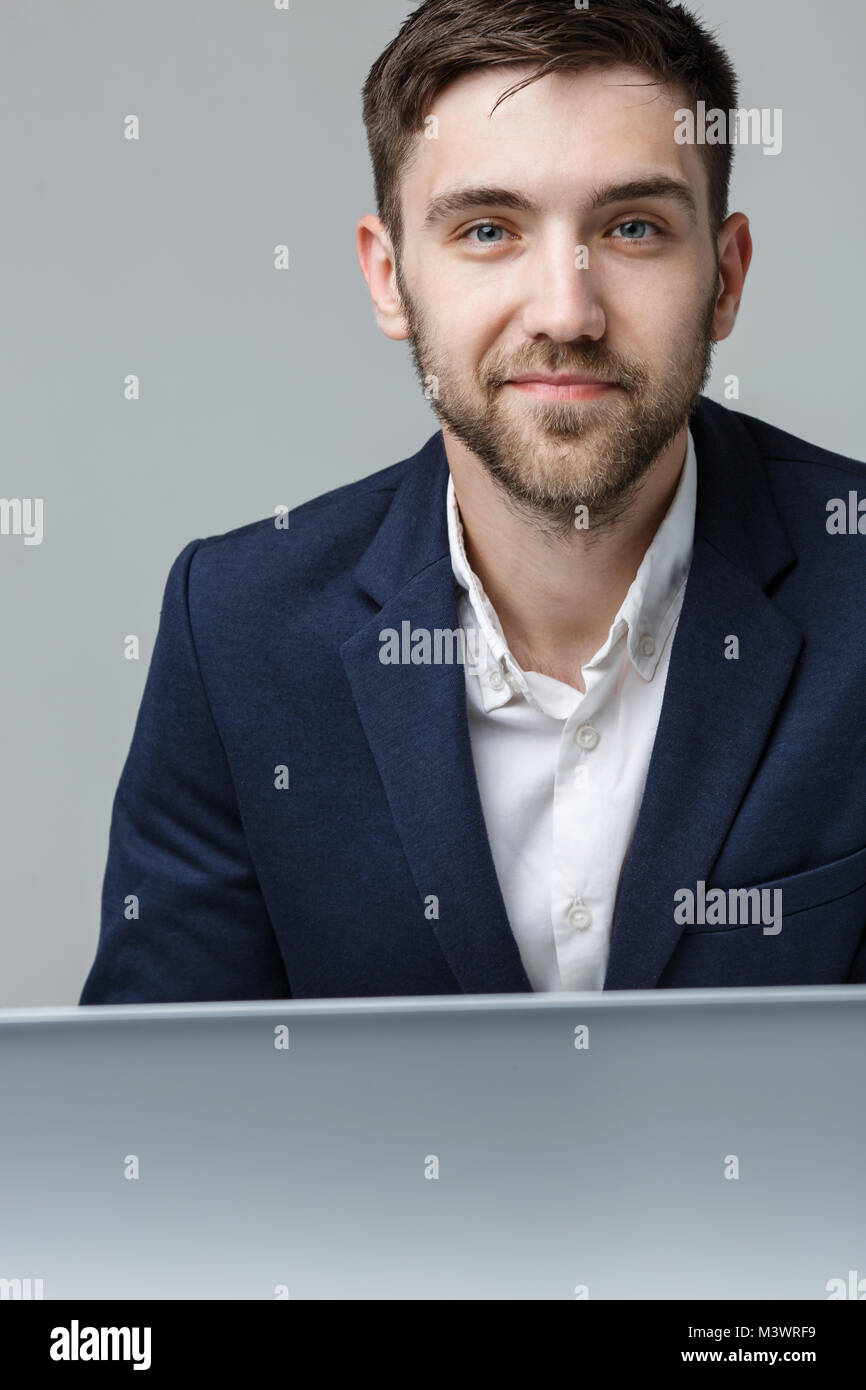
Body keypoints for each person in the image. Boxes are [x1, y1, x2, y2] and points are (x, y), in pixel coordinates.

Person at [80, 0, 866, 1004]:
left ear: (723, 274)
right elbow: (161, 1114)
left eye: (632, 227)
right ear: (389, 276)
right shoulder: (235, 630)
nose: (564, 312)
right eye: (487, 230)